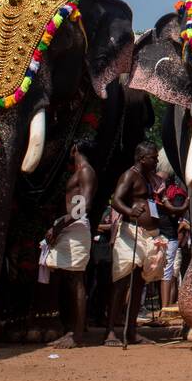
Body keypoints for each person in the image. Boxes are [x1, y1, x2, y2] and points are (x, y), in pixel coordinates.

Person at [40, 139, 97, 347]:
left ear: (74, 149)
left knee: (76, 280)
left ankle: (78, 335)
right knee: (70, 279)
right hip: (70, 226)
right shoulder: (81, 171)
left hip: (75, 227)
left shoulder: (85, 171)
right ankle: (73, 330)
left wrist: (58, 226)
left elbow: (84, 206)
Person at [105, 141, 161, 345]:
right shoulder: (129, 175)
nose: (156, 160)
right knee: (121, 283)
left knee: (138, 283)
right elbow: (116, 200)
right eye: (153, 157)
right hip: (130, 233)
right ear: (141, 158)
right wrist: (130, 211)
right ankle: (110, 331)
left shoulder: (146, 178)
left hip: (146, 235)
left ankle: (131, 331)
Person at [153, 157, 189, 307]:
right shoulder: (152, 189)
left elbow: (176, 214)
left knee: (167, 273)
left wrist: (164, 201)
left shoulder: (177, 193)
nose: (158, 180)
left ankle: (165, 309)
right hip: (152, 234)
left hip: (170, 237)